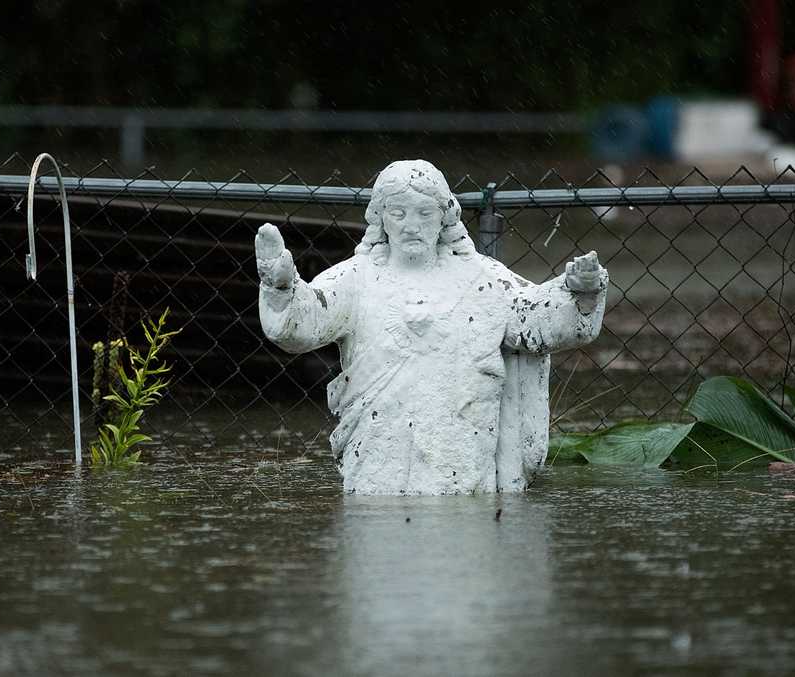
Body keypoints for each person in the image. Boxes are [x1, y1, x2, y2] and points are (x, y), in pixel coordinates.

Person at [255, 159, 607, 494]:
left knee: (463, 531)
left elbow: (535, 321)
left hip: (461, 449)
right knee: (377, 539)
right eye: (398, 213)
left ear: (444, 218)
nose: (411, 224)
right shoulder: (356, 278)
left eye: (424, 213)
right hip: (378, 454)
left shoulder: (480, 278)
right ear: (381, 219)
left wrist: (578, 294)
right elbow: (305, 324)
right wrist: (282, 289)